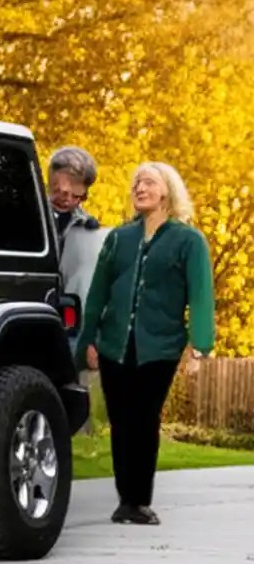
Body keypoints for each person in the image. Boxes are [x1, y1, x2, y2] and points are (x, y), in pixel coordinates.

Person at [75, 162, 216, 526]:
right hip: (114, 344)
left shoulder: (189, 240)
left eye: (148, 182)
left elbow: (200, 295)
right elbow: (98, 294)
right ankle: (126, 501)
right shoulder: (119, 238)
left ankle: (140, 499)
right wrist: (88, 338)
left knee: (144, 418)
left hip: (161, 347)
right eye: (136, 183)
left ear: (166, 190)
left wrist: (200, 346)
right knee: (121, 422)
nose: (140, 188)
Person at [48, 145, 101, 255]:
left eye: (76, 196)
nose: (67, 200)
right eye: (60, 192)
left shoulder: (85, 224)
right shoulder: (34, 215)